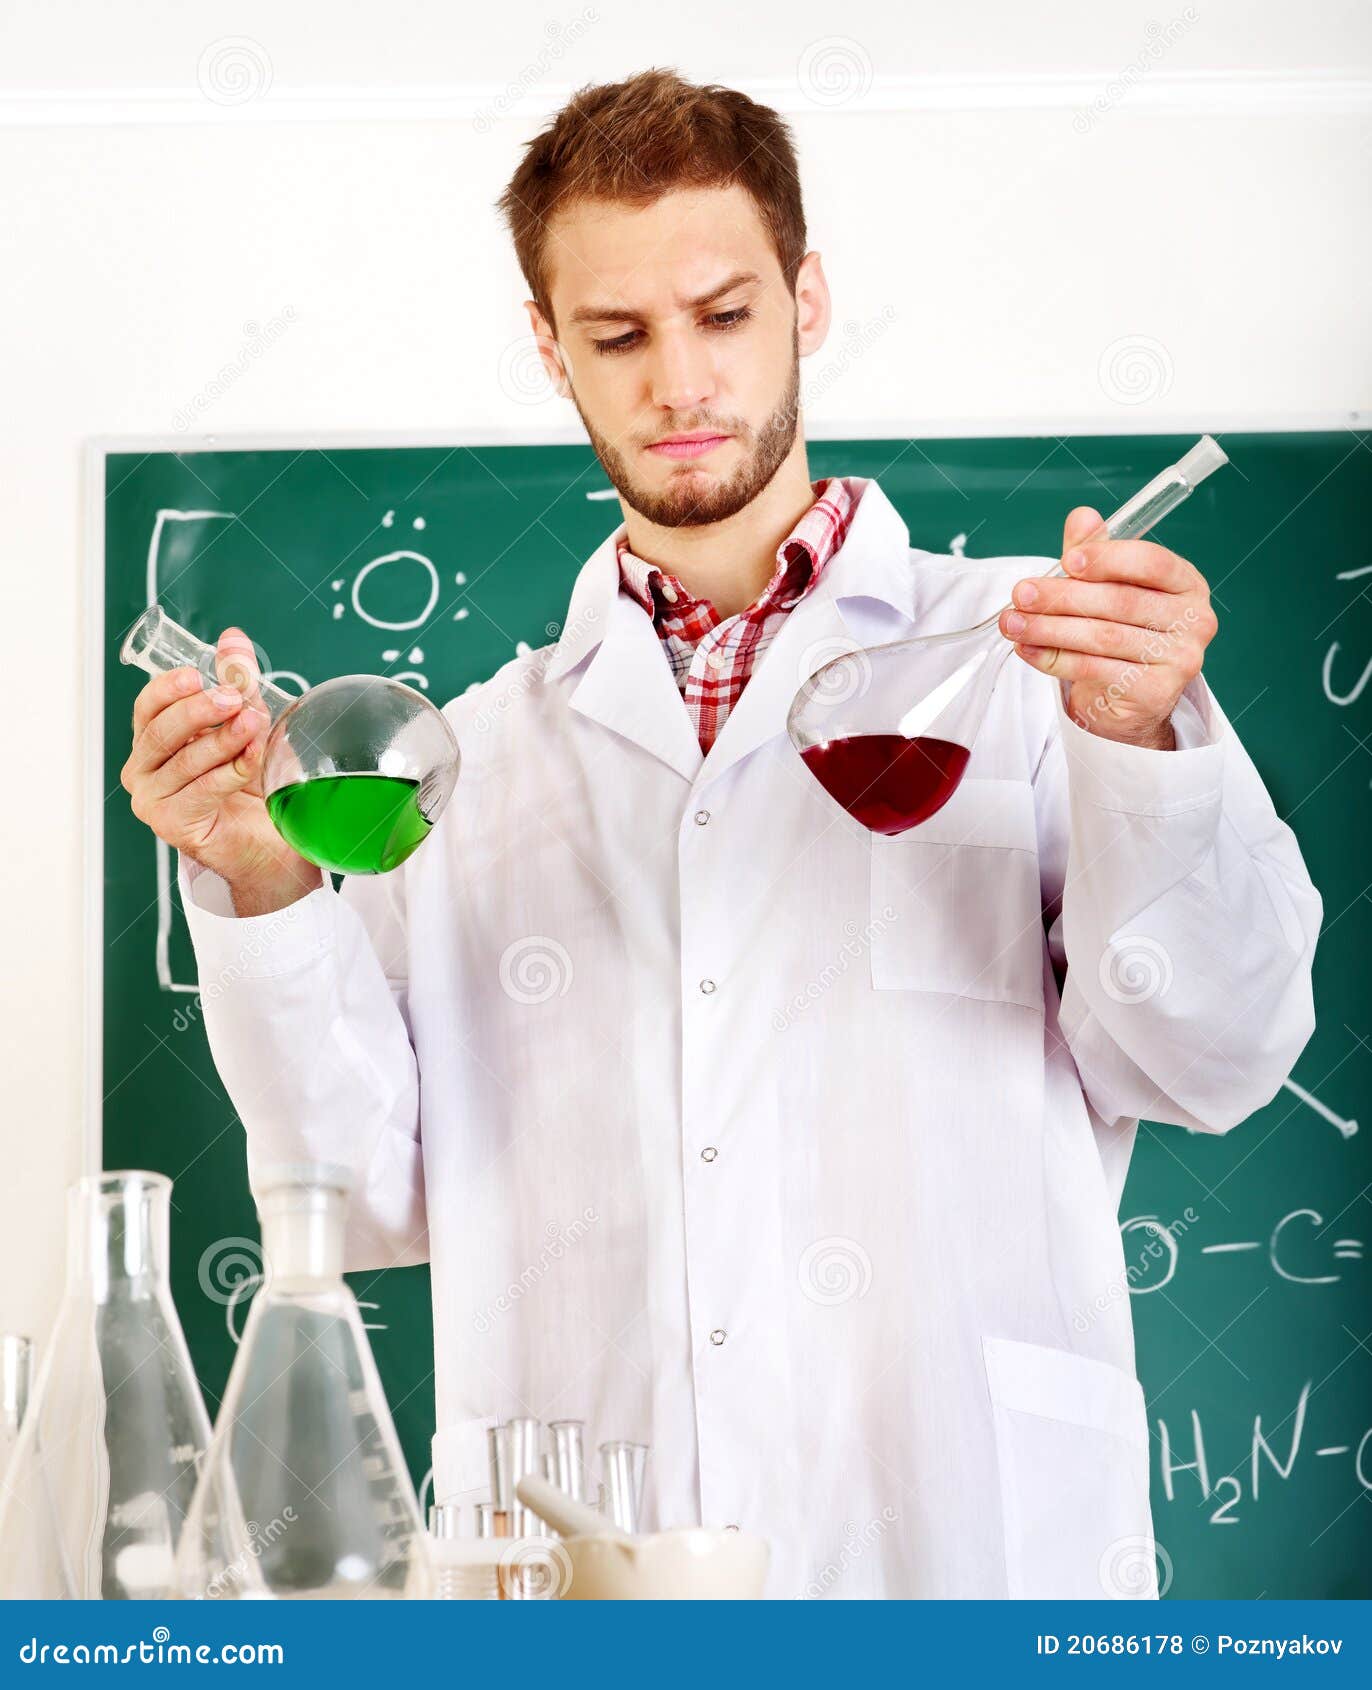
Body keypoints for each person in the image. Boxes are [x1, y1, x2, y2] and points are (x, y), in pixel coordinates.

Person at [120, 69, 1320, 1599]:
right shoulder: (478, 756)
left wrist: (1144, 742)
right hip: (578, 1581)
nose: (679, 379)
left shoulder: (1039, 664)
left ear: (807, 300)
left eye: (724, 312)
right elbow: (351, 1195)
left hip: (967, 1567)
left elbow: (1218, 1055)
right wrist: (268, 879)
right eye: (617, 335)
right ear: (551, 353)